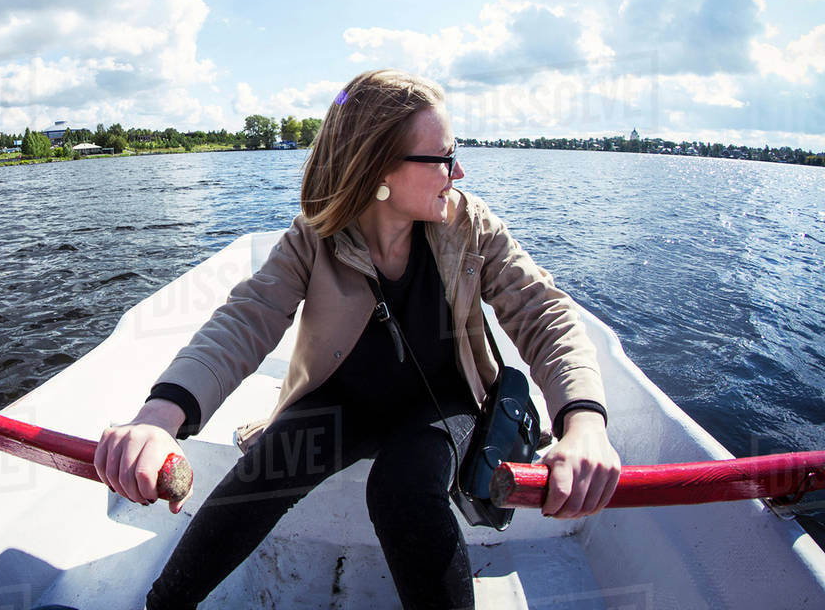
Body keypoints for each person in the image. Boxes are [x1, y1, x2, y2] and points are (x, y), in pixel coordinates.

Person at [94, 69, 621, 609]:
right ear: (379, 169)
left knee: (403, 490)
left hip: (442, 405)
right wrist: (160, 417)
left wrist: (584, 425)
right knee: (261, 473)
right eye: (442, 158)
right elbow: (247, 319)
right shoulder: (313, 236)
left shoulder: (470, 227)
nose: (458, 171)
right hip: (344, 404)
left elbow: (544, 314)